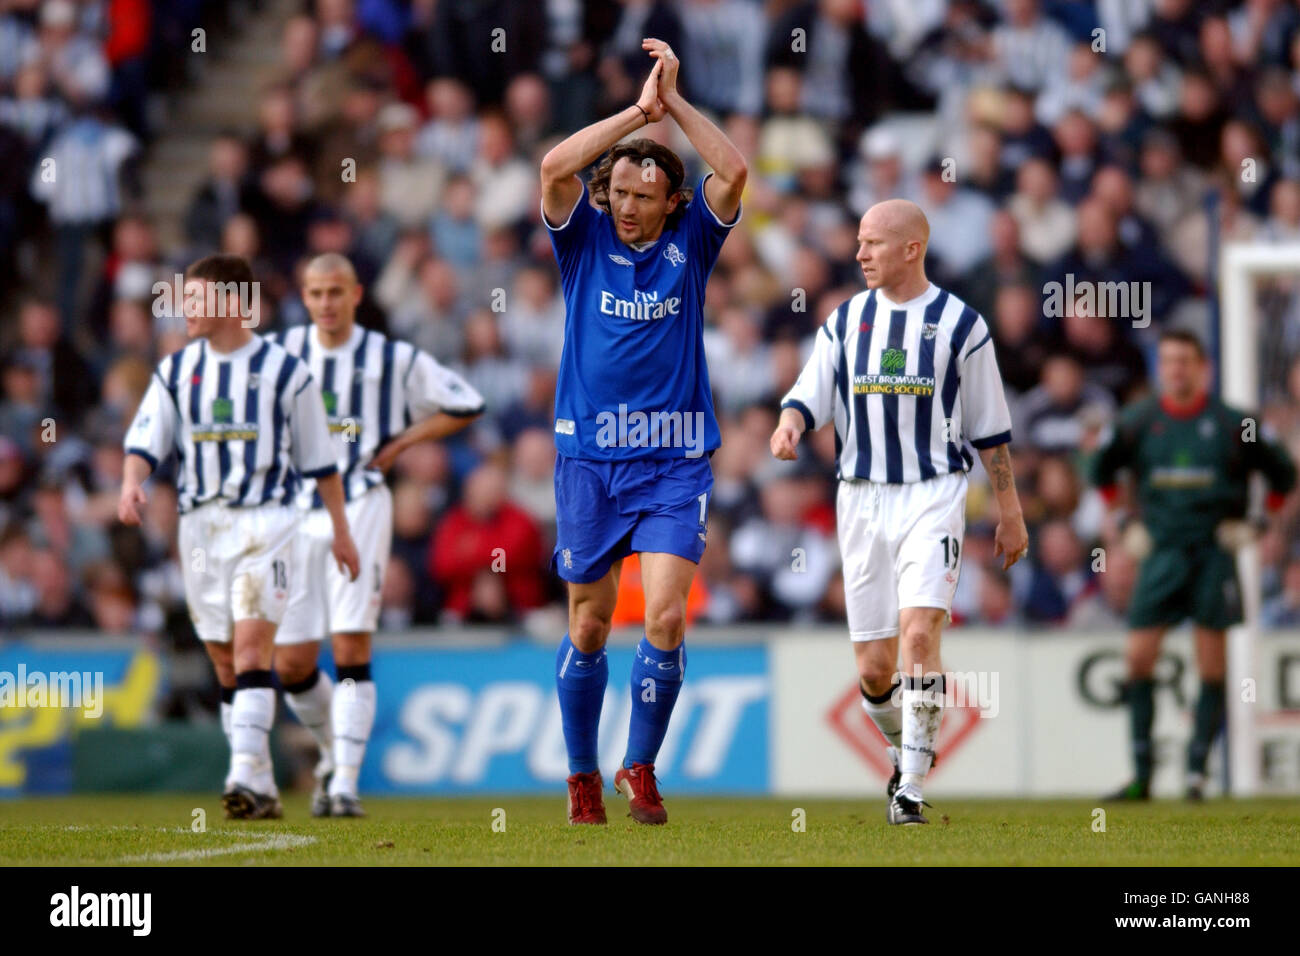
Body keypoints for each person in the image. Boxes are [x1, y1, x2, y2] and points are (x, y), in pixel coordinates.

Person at [538, 38, 746, 825]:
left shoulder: (693, 246)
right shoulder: (580, 240)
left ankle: (640, 767)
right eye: (618, 191)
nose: (626, 205)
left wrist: (676, 106)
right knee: (589, 624)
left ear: (670, 204)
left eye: (642, 194)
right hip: (589, 459)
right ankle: (582, 774)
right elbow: (555, 167)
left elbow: (734, 173)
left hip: (674, 461)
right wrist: (636, 113)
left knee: (663, 616)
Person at [769, 199, 1029, 825]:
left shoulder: (962, 326)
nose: (860, 254)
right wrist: (790, 423)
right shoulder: (846, 320)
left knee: (919, 633)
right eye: (858, 242)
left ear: (912, 248)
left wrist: (1010, 510)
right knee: (874, 670)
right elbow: (811, 390)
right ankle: (902, 747)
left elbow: (990, 429)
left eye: (873, 243)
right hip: (860, 497)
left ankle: (911, 787)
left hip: (933, 492)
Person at [118, 254, 360, 819]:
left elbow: (320, 462)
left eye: (196, 301)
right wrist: (133, 484)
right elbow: (144, 441)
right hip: (201, 529)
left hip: (269, 522)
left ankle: (241, 775)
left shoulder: (284, 372)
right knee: (226, 665)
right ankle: (263, 787)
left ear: (230, 304)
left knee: (254, 651)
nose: (185, 311)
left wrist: (343, 533)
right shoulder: (175, 371)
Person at [272, 253, 484, 817]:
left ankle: (345, 783)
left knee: (349, 646)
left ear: (356, 294)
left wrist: (401, 444)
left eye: (335, 292)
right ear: (305, 295)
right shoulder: (280, 356)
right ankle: (330, 754)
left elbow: (466, 402)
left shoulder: (391, 358)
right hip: (293, 514)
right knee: (291, 664)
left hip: (362, 504)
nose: (326, 303)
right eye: (316, 293)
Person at [1090, 329, 1296, 801]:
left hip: (1212, 552)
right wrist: (1123, 523)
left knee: (1211, 665)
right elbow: (1100, 470)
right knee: (1138, 660)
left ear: (1203, 367)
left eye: (1184, 360)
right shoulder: (1137, 421)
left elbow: (1283, 473)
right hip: (1161, 552)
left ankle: (1196, 775)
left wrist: (1257, 524)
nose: (1176, 369)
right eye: (1168, 361)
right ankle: (1142, 776)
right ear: (1160, 368)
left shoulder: (1234, 423)